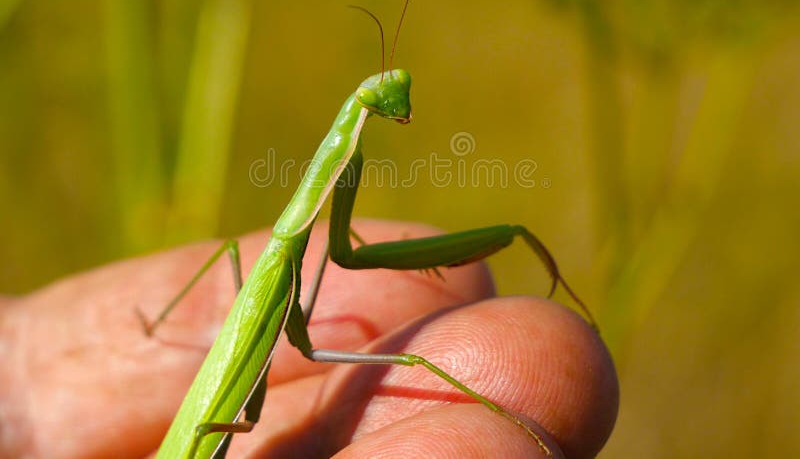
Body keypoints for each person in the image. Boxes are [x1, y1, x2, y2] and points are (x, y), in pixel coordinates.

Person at [0, 220, 618, 458]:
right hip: (209, 431)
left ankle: (161, 326)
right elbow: (347, 257)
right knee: (404, 355)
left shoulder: (303, 240)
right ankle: (487, 403)